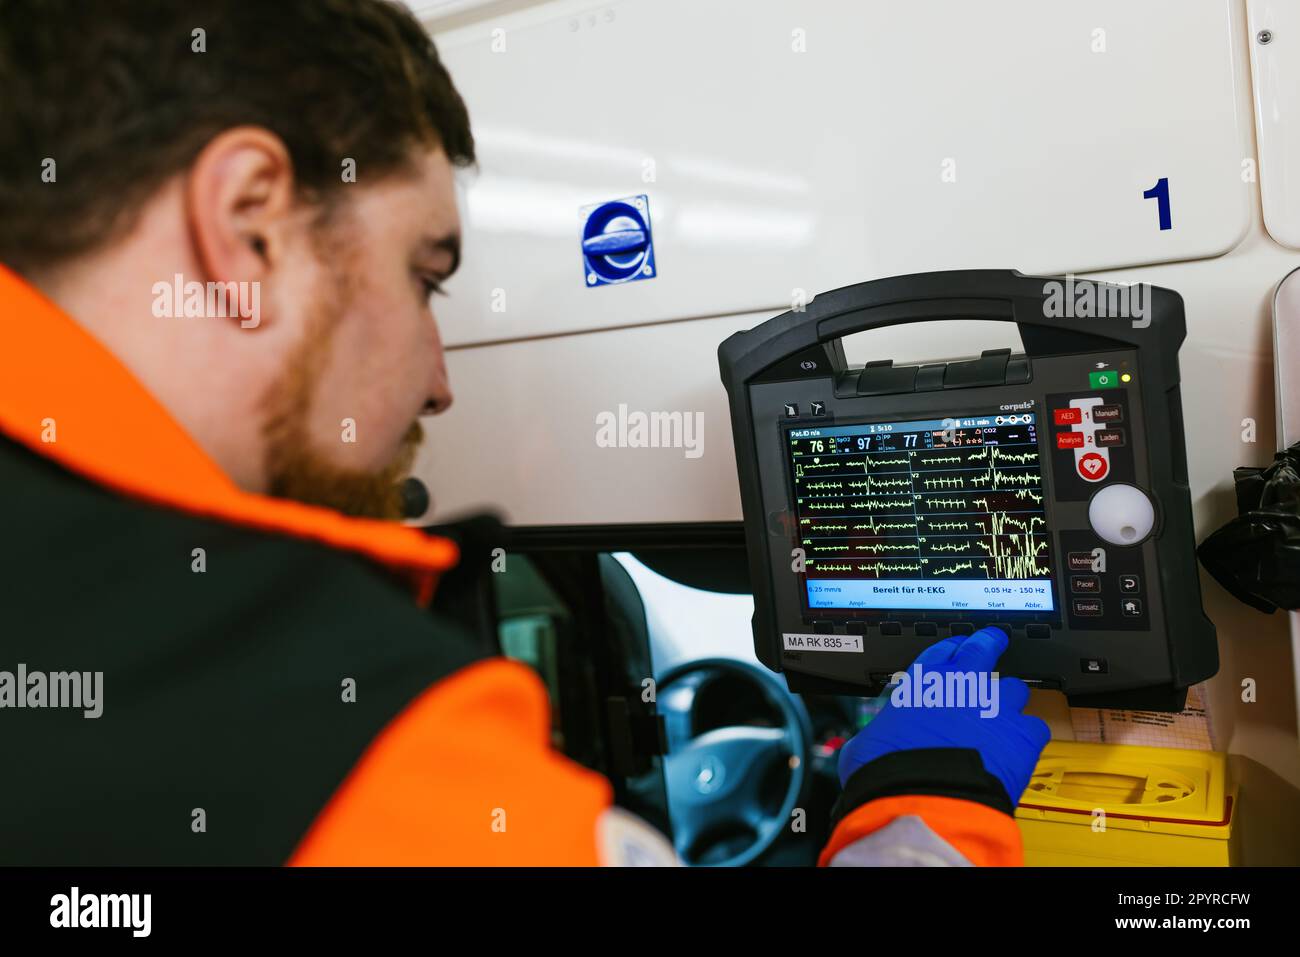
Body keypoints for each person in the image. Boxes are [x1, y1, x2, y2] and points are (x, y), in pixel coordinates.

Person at [0, 0, 1048, 866]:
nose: (438, 382)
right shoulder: (366, 756)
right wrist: (927, 799)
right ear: (249, 225)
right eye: (424, 276)